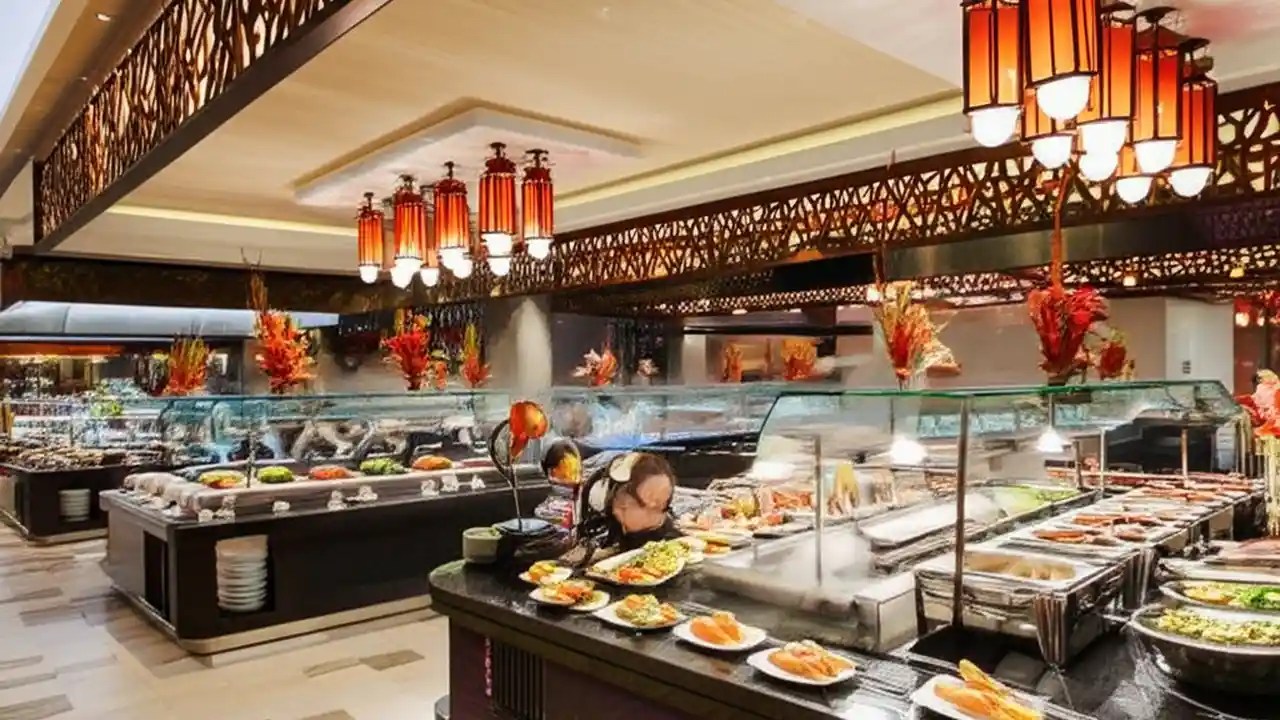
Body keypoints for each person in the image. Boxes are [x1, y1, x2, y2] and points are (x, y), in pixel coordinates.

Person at [567, 450, 679, 566]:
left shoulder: (672, 548)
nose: (616, 511)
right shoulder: (614, 521)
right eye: (619, 505)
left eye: (624, 507)